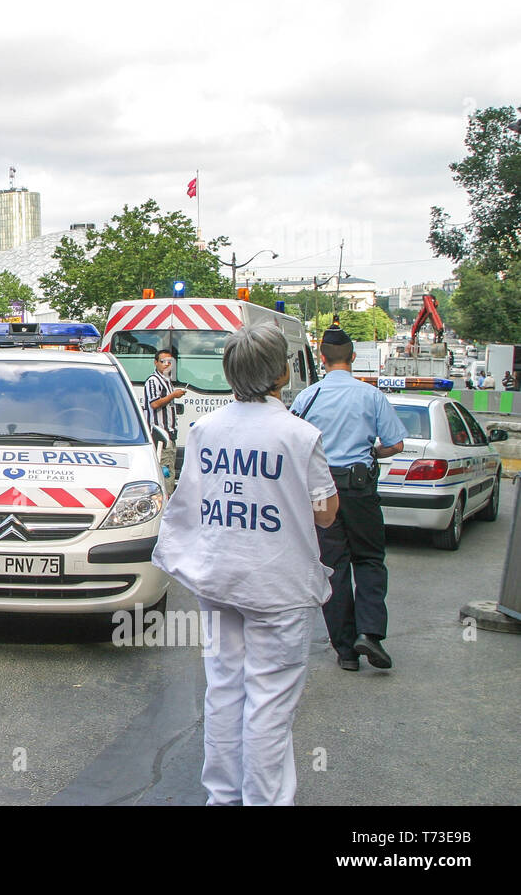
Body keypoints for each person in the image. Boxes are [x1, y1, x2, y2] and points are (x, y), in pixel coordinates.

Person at [152, 322, 339, 805]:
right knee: (270, 703)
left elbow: (190, 498)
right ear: (281, 373)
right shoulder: (299, 435)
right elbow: (326, 511)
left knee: (224, 691)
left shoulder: (206, 430)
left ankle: (222, 797)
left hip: (218, 579)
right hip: (277, 585)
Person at [290, 325, 405, 672]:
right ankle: (370, 633)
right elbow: (395, 444)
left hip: (322, 492)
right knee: (369, 558)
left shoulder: (307, 397)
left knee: (334, 568)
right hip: (359, 489)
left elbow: (295, 443)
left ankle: (346, 651)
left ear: (322, 359)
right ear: (353, 358)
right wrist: (373, 451)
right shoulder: (371, 396)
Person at [143, 349, 185, 494]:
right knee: (164, 474)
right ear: (155, 363)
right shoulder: (153, 381)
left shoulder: (167, 380)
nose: (167, 364)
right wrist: (173, 395)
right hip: (160, 437)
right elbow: (154, 404)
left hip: (170, 435)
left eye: (170, 362)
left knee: (170, 473)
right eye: (163, 361)